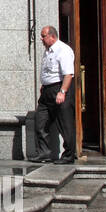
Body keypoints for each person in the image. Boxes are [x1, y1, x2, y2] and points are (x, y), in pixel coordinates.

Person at [33, 24, 76, 164]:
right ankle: (44, 152)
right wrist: (43, 86)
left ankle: (69, 155)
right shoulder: (48, 51)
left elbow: (68, 74)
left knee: (65, 123)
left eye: (43, 36)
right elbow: (48, 72)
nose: (41, 38)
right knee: (40, 121)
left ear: (52, 36)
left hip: (59, 88)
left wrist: (62, 92)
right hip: (46, 91)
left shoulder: (63, 50)